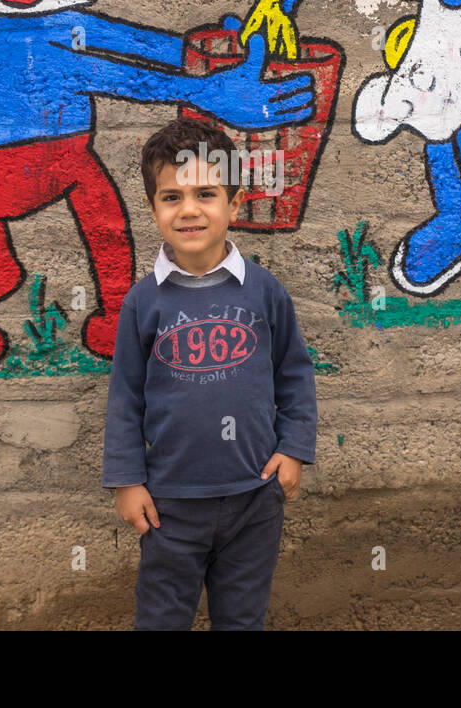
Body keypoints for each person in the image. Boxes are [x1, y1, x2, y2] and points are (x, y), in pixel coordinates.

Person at [102, 116, 318, 630]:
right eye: (171, 197)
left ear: (235, 204)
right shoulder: (143, 301)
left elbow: (294, 373)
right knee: (161, 618)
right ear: (153, 209)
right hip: (170, 503)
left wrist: (293, 448)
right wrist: (127, 481)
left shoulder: (263, 291)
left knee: (242, 619)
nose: (190, 210)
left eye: (206, 193)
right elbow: (125, 397)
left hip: (254, 498)